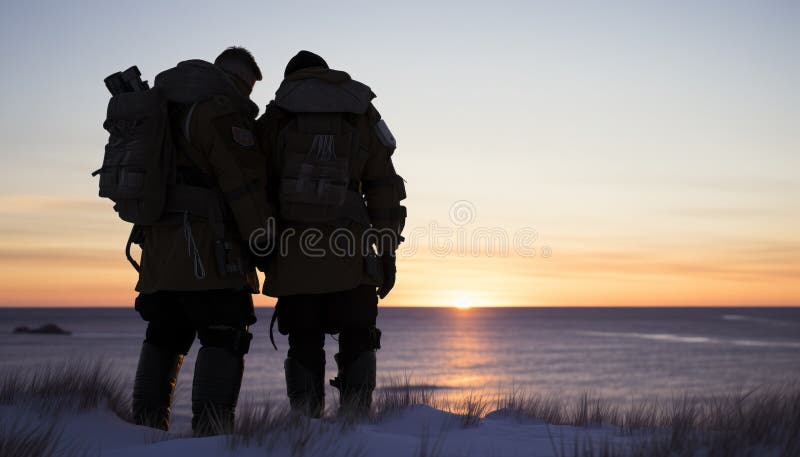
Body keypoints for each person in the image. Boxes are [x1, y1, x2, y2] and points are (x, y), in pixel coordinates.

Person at [256, 50, 407, 418]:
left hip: (293, 252)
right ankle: (356, 423)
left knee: (304, 341)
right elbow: (384, 187)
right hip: (351, 252)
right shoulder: (360, 114)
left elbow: (254, 187)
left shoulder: (275, 118)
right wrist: (386, 250)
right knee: (358, 337)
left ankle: (306, 426)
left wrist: (260, 246)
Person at [131, 47, 272, 434]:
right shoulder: (220, 113)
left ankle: (140, 435)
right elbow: (244, 189)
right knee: (225, 335)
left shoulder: (165, 107)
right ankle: (211, 438)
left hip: (158, 254)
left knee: (163, 337)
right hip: (211, 255)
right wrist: (266, 246)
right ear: (242, 81)